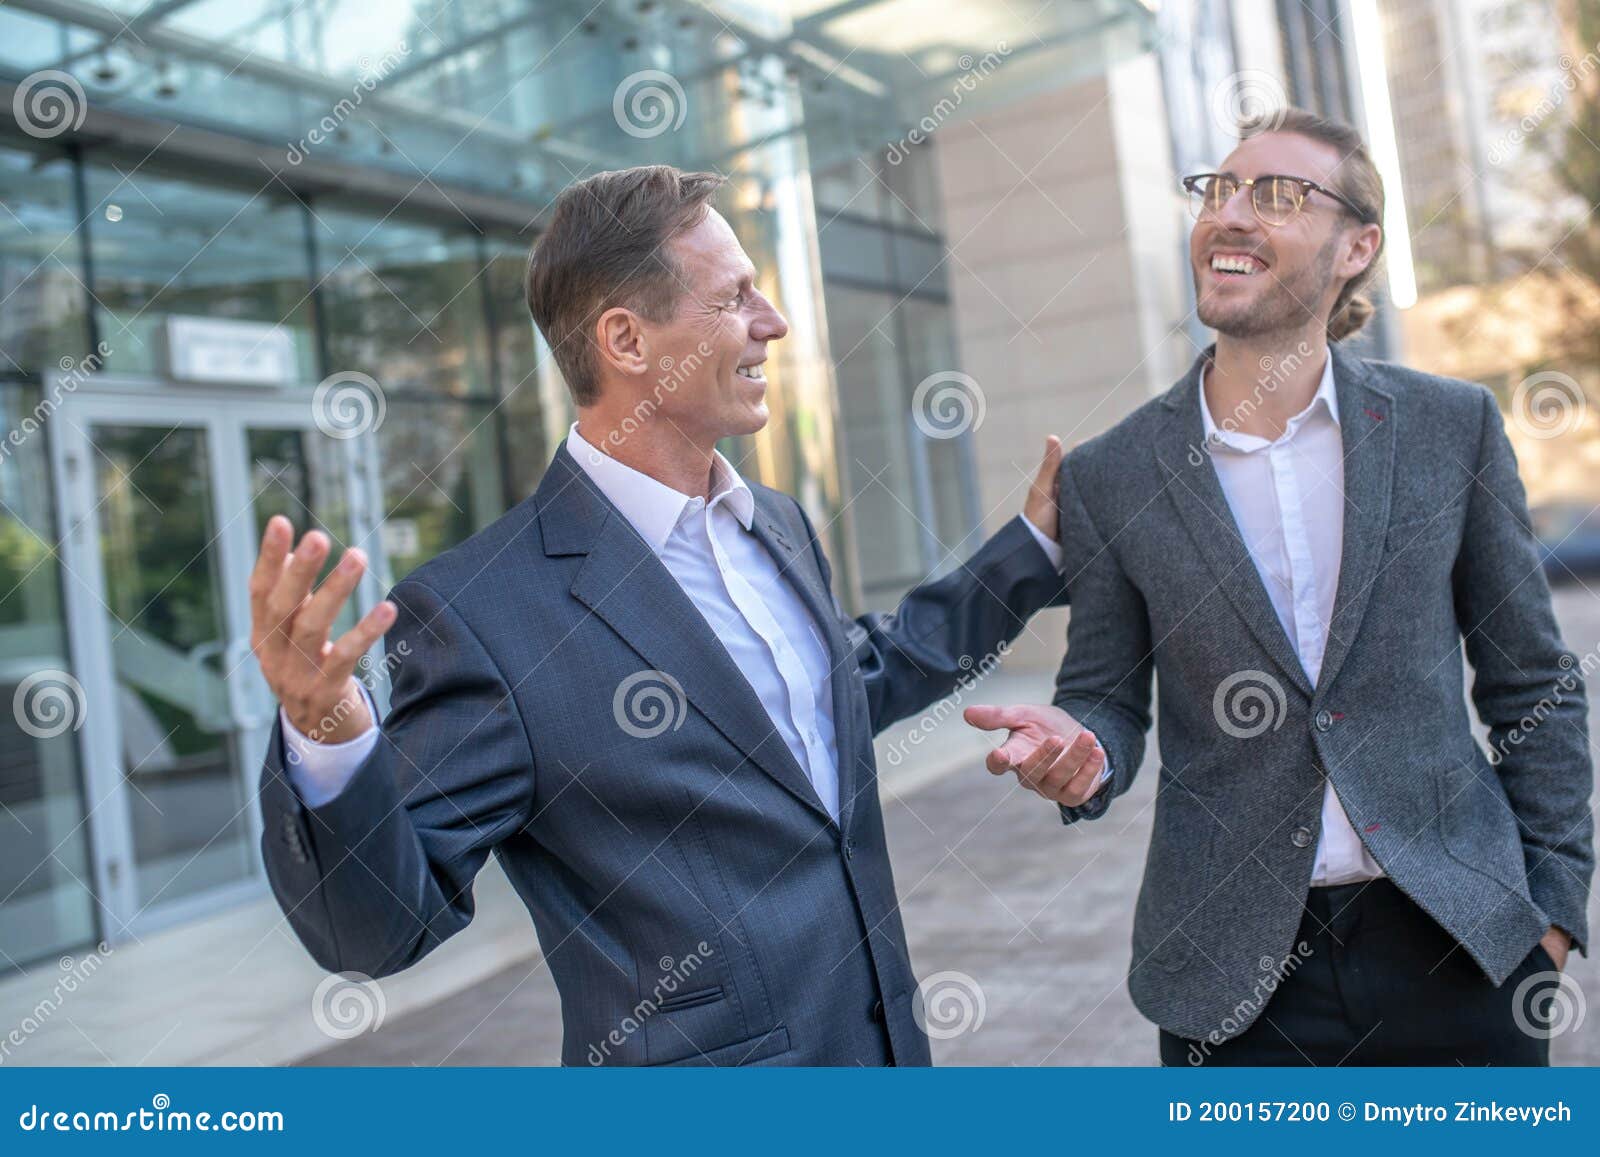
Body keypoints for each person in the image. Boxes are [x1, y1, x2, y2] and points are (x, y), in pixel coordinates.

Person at [252, 165, 1070, 1066]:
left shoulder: (777, 525)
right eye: (735, 297)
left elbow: (855, 678)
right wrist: (328, 735)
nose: (774, 323)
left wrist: (1033, 549)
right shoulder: (483, 614)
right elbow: (378, 930)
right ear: (627, 340)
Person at [966, 108, 1592, 1065]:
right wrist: (1082, 751)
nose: (1230, 213)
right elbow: (1105, 696)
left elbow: (1533, 683)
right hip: (1231, 980)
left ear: (1357, 248)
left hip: (1459, 945)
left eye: (1277, 196)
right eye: (1218, 190)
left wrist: (1550, 910)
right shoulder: (1113, 474)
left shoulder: (1449, 426)